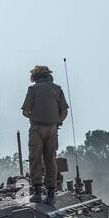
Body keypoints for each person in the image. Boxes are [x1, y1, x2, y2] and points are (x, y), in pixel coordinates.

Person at [20, 64, 70, 203]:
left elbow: (25, 111)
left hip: (36, 128)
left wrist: (33, 116)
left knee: (35, 159)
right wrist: (58, 122)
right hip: (53, 129)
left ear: (35, 77)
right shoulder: (57, 89)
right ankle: (51, 193)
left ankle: (36, 192)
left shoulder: (33, 89)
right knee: (50, 160)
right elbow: (64, 111)